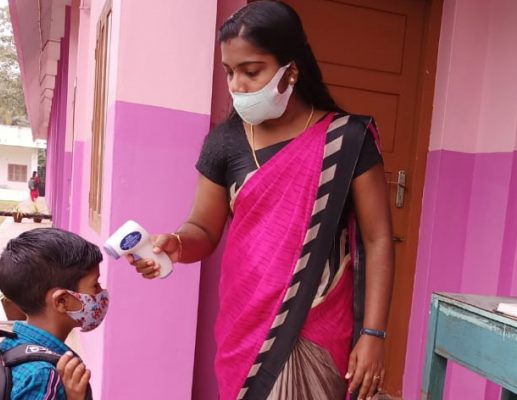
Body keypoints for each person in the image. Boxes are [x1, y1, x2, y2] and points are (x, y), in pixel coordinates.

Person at [128, 2, 394, 400]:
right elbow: (203, 227)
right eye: (229, 72)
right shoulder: (225, 142)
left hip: (317, 328)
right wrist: (178, 244)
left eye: (251, 71)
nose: (237, 85)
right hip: (244, 328)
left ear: (292, 70)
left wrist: (374, 334)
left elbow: (378, 241)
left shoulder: (346, 140)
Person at [0, 228, 108, 400]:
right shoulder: (43, 376)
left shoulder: (9, 345)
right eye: (95, 285)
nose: (101, 293)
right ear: (62, 301)